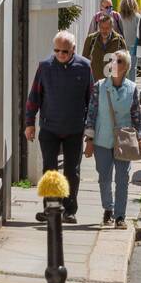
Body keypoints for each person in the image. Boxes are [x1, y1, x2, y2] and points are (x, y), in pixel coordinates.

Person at [24, 32, 93, 224]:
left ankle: (69, 210)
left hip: (74, 128)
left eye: (64, 51)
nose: (60, 54)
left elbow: (92, 101)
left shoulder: (84, 67)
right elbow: (34, 97)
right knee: (50, 170)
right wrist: (29, 123)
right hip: (49, 127)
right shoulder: (45, 67)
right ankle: (51, 209)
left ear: (73, 50)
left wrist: (90, 133)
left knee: (72, 171)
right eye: (56, 50)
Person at [84, 49, 141, 228]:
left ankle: (120, 216)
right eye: (112, 61)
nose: (114, 64)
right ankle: (108, 209)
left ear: (126, 66)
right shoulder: (99, 86)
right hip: (102, 140)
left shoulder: (132, 88)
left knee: (122, 179)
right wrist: (89, 141)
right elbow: (91, 113)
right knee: (104, 177)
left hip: (125, 142)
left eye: (118, 61)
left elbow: (137, 116)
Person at [82, 12, 127, 87]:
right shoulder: (91, 39)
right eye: (102, 28)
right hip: (95, 83)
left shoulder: (119, 40)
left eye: (107, 28)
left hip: (113, 83)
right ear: (99, 27)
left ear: (112, 27)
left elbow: (126, 63)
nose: (104, 31)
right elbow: (84, 61)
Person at [118, 0, 141, 79]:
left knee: (120, 67)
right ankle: (131, 87)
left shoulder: (118, 16)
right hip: (133, 46)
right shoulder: (138, 17)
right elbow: (139, 33)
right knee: (132, 68)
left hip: (120, 46)